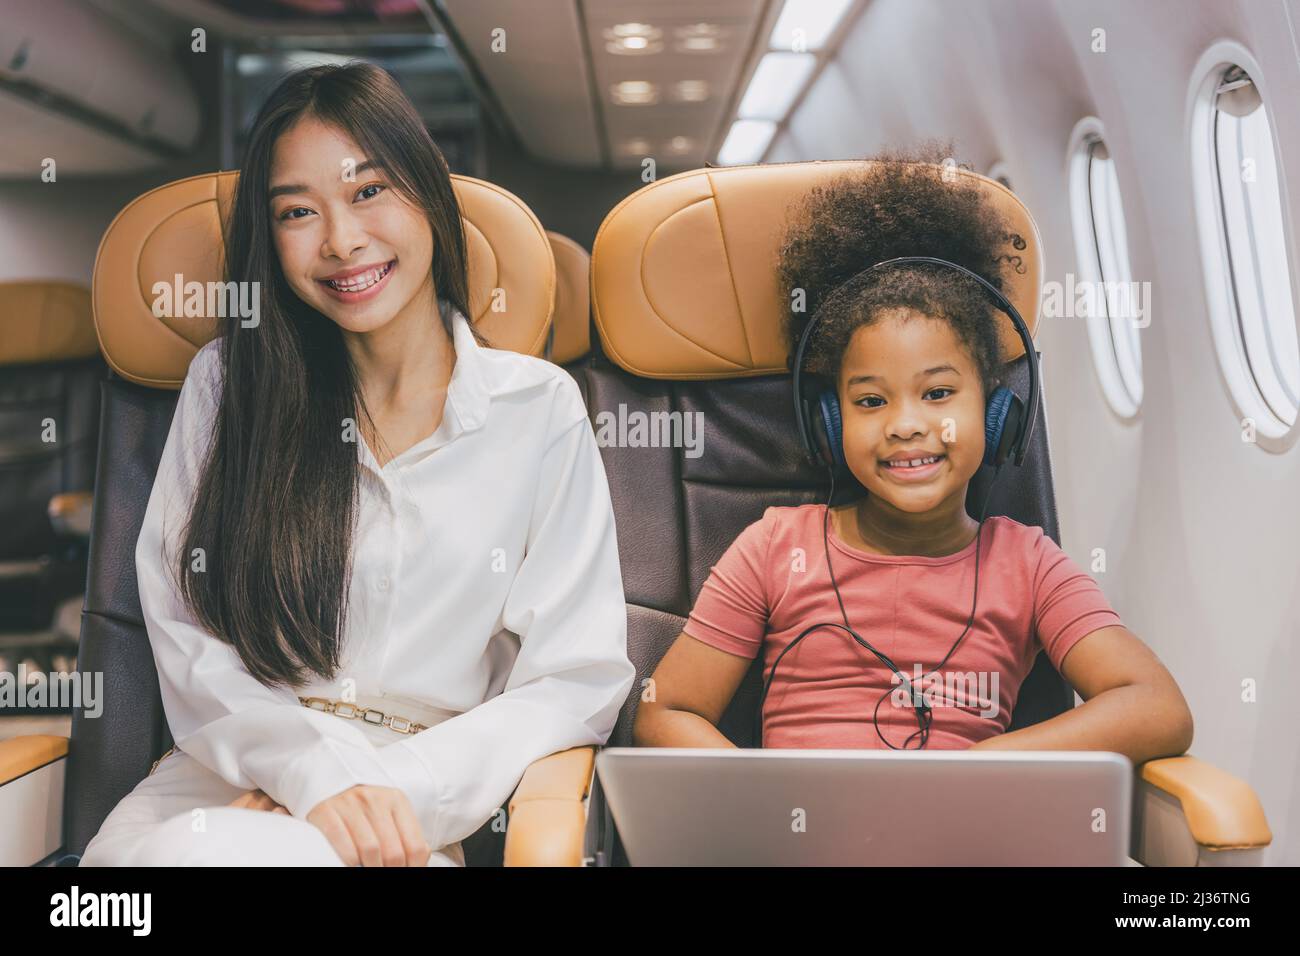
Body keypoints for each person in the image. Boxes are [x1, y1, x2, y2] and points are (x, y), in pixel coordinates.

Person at [80, 62, 634, 867]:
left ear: (427, 192)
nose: (341, 241)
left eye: (368, 191)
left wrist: (373, 792)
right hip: (218, 788)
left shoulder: (538, 410)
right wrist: (307, 773)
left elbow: (572, 681)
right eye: (298, 211)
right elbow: (187, 630)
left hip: (411, 816)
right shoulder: (230, 385)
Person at [633, 143, 1193, 762]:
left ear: (997, 413)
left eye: (938, 393)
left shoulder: (1027, 564)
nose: (905, 425)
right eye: (871, 402)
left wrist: (975, 769)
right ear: (828, 423)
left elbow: (1156, 707)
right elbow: (667, 711)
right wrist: (763, 799)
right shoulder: (775, 548)